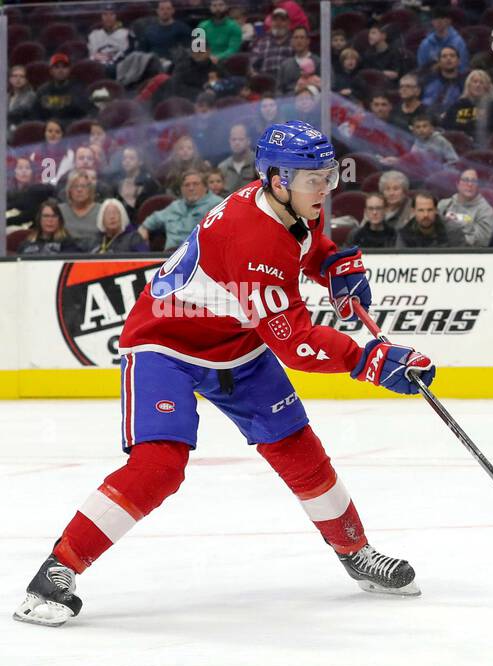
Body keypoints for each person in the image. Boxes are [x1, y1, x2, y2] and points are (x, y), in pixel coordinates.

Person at [14, 120, 433, 627]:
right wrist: (369, 360)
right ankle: (55, 573)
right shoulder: (250, 237)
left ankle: (354, 551)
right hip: (165, 343)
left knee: (296, 444)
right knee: (158, 466)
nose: (324, 188)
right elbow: (297, 343)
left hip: (235, 344)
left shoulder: (294, 201)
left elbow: (307, 245)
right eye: (313, 178)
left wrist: (334, 267)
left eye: (328, 175)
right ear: (278, 180)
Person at [137, 170, 222, 251]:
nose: (191, 188)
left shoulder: (217, 205)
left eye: (195, 184)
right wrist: (144, 228)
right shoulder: (175, 206)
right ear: (181, 189)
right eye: (186, 185)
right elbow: (153, 219)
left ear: (205, 187)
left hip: (199, 255)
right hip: (170, 256)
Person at [437, 169, 493, 247]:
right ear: (457, 184)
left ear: (478, 186)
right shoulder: (444, 205)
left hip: (472, 255)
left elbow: (482, 241)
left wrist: (454, 239)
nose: (470, 184)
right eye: (465, 180)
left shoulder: (486, 211)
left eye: (474, 181)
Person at [58, 172, 102, 249]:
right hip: (65, 255)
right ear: (69, 190)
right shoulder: (59, 210)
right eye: (75, 186)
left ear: (90, 190)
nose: (79, 190)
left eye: (83, 186)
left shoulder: (101, 210)